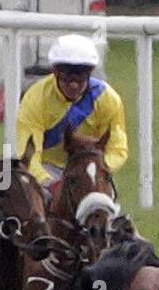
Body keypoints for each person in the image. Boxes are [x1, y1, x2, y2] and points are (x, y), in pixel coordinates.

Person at [16, 33, 129, 198]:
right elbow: (28, 153)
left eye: (81, 77)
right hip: (48, 168)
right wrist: (49, 183)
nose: (74, 84)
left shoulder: (107, 99)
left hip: (91, 166)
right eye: (67, 77)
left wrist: (98, 167)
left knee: (107, 209)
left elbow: (117, 149)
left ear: (90, 74)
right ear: (55, 72)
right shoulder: (36, 98)